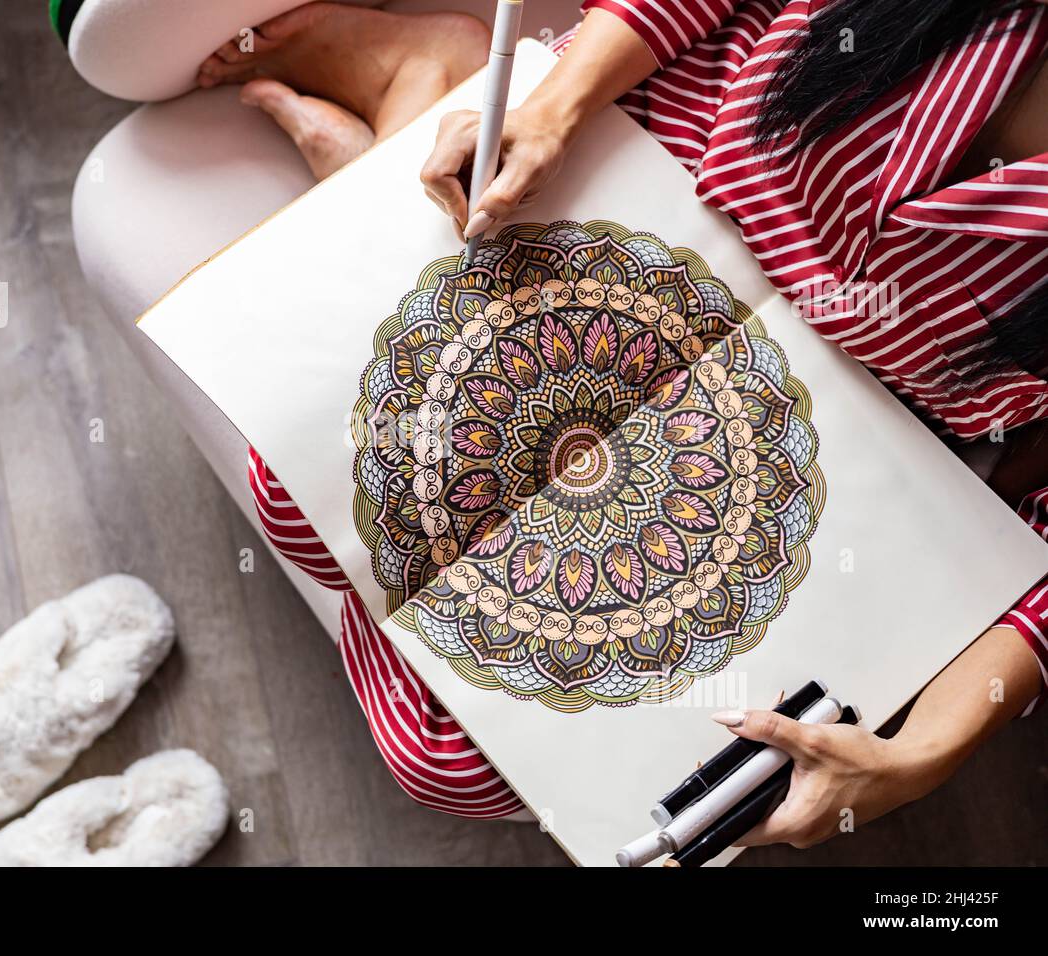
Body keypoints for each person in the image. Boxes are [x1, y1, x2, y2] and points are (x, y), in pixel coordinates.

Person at [205, 0, 1048, 848]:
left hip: (846, 420)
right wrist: (553, 106)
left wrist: (923, 756)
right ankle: (417, 81)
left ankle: (408, 113)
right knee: (290, 499)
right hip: (660, 174)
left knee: (443, 759)